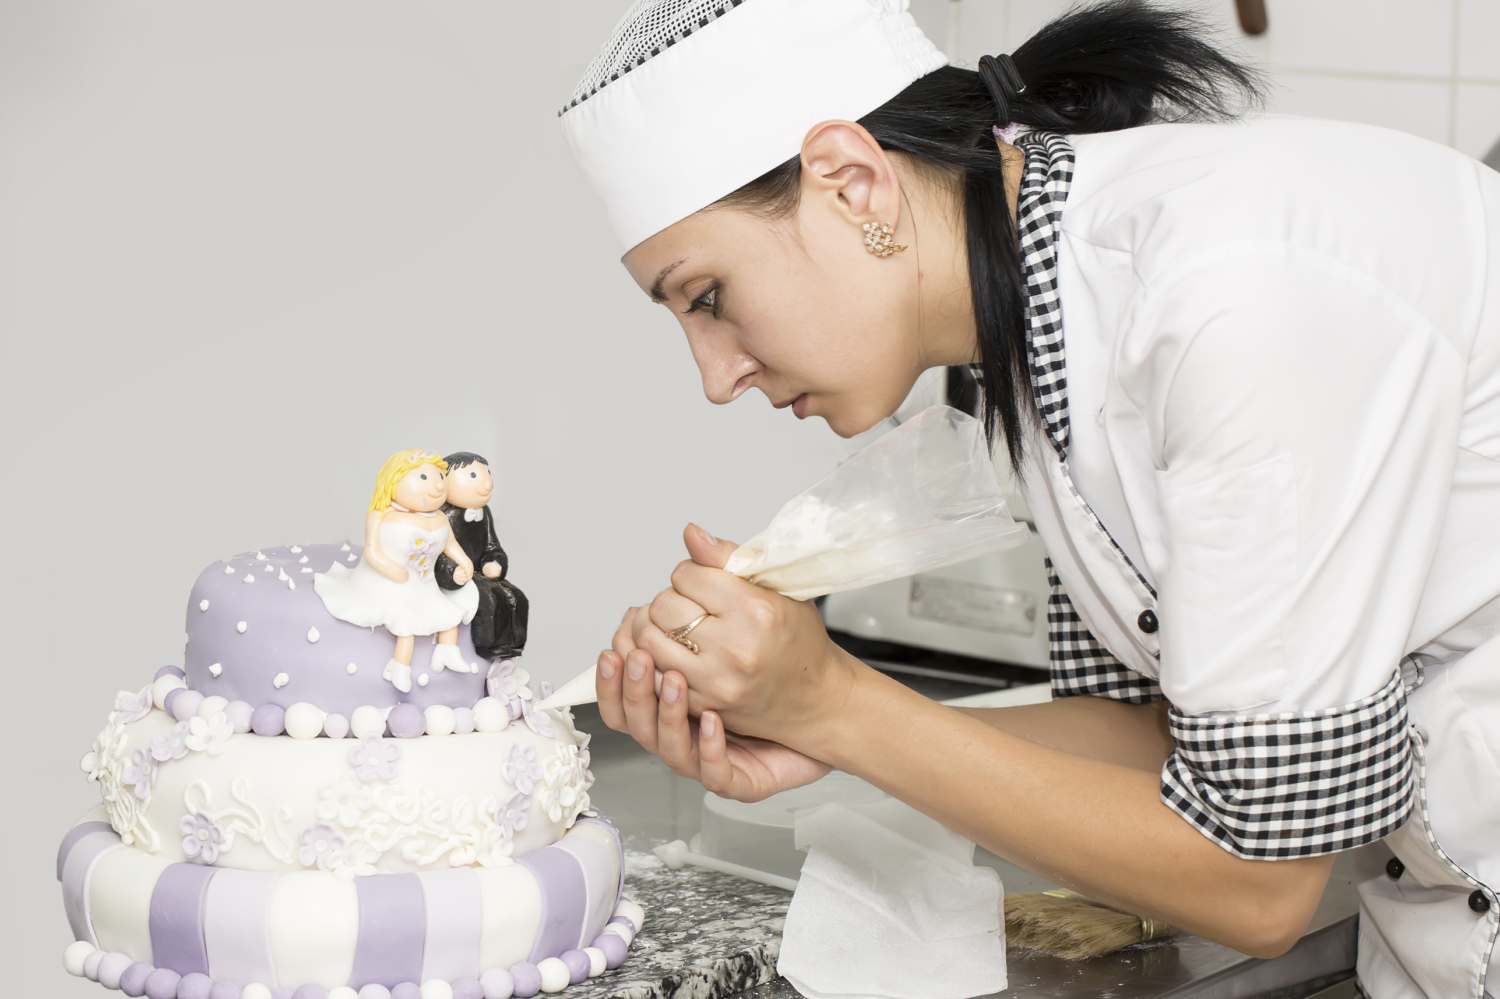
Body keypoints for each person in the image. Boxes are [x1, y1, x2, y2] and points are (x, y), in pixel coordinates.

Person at [561, 0, 1500, 994]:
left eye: (707, 298)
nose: (716, 376)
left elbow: (1258, 881)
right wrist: (810, 718)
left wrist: (839, 707)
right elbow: (1161, 745)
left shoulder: (1228, 296)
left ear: (851, 182)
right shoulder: (1037, 312)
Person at [315, 449, 479, 692]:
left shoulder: (440, 518)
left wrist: (465, 562)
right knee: (405, 621)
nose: (436, 485)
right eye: (423, 478)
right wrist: (390, 569)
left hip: (424, 585)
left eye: (439, 477)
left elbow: (450, 545)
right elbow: (372, 552)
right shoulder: (379, 515)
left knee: (447, 614)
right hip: (387, 585)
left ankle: (447, 653)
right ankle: (399, 667)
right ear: (393, 481)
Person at [435, 451, 530, 660]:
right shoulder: (441, 516)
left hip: (480, 572)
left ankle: (514, 644)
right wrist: (451, 573)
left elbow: (491, 544)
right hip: (462, 573)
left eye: (487, 473)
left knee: (516, 596)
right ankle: (489, 645)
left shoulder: (484, 513)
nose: (487, 483)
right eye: (473, 475)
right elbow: (436, 552)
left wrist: (495, 562)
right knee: (490, 597)